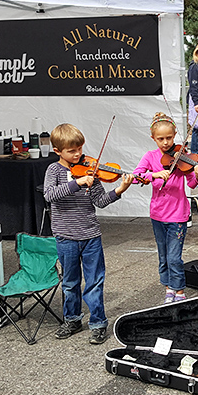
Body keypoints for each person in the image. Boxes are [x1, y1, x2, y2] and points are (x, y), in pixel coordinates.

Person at [44, 123, 133, 345]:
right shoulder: (54, 171)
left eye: (80, 149)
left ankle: (98, 323)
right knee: (70, 282)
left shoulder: (91, 170)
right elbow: (49, 195)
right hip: (65, 236)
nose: (78, 154)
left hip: (91, 235)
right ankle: (72, 320)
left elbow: (101, 201)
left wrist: (119, 190)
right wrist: (77, 183)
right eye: (72, 151)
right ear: (58, 151)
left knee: (94, 281)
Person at [134, 113, 198, 303]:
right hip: (157, 214)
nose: (165, 143)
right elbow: (136, 176)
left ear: (175, 135)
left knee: (174, 257)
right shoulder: (150, 157)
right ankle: (168, 288)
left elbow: (191, 183)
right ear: (153, 138)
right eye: (160, 139)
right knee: (163, 255)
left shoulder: (183, 158)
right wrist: (155, 175)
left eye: (169, 138)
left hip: (178, 215)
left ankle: (180, 290)